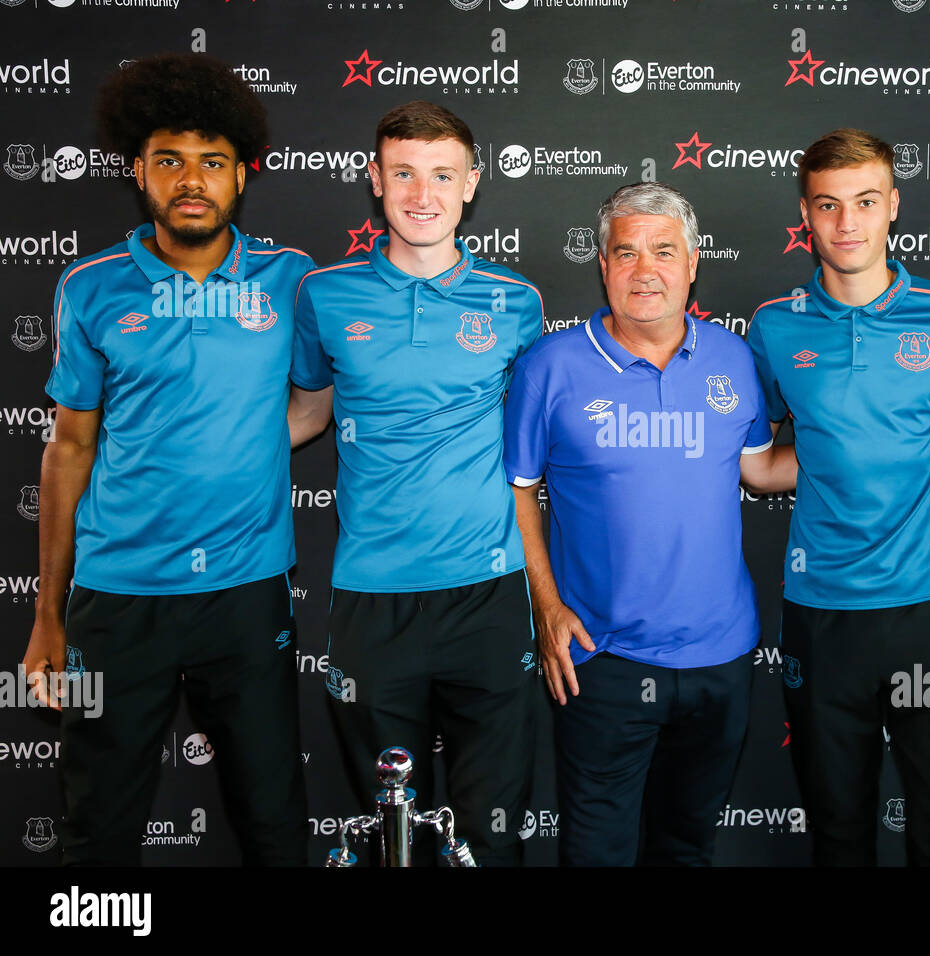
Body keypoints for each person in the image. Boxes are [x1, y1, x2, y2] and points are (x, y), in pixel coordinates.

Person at [22, 53, 312, 865]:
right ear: (138, 171)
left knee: (275, 818)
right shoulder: (91, 286)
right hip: (114, 601)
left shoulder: (288, 279)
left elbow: (316, 404)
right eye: (170, 161)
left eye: (212, 162)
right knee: (96, 825)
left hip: (248, 595)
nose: (192, 179)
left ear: (241, 177)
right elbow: (69, 447)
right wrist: (48, 615)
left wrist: (249, 439)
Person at [503, 182, 795, 866]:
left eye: (664, 251)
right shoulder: (550, 367)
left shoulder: (732, 358)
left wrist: (872, 437)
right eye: (625, 252)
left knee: (685, 849)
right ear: (601, 265)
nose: (645, 270)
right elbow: (517, 493)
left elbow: (760, 470)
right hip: (602, 662)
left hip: (720, 659)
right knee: (597, 853)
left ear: (693, 263)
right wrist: (545, 606)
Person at [289, 102, 542, 866]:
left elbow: (536, 448)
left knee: (490, 840)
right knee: (391, 838)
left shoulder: (517, 302)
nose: (421, 194)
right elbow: (305, 413)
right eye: (403, 173)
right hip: (373, 600)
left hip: (489, 597)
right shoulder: (323, 296)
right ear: (375, 180)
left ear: (471, 184)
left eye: (440, 175)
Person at [747, 129, 930, 866]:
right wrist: (841, 455)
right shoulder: (775, 325)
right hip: (824, 619)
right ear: (806, 214)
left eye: (865, 202)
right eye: (828, 205)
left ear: (893, 205)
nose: (847, 223)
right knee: (837, 832)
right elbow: (763, 465)